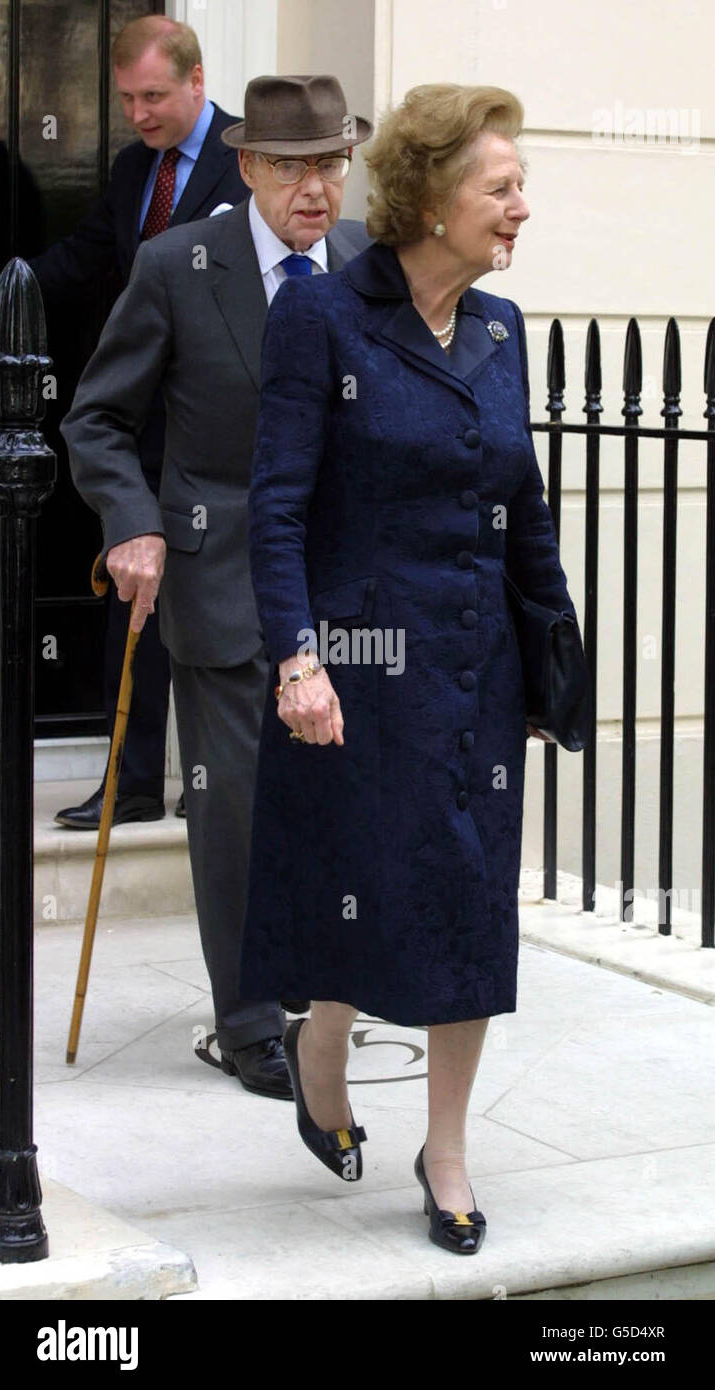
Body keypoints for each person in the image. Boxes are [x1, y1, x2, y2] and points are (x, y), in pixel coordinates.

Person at [240, 82, 579, 1249]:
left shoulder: (502, 330)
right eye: (500, 187)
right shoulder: (320, 320)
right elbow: (275, 510)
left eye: (517, 186)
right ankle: (319, 1045)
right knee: (367, 879)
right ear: (431, 199)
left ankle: (445, 1150)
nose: (519, 208)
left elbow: (520, 505)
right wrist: (296, 659)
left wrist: (550, 657)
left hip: (472, 665)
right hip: (357, 665)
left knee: (467, 903)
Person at [60, 74, 371, 1099]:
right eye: (290, 165)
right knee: (235, 803)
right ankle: (247, 1021)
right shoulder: (175, 266)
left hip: (346, 584)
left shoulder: (370, 262)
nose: (314, 187)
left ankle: (321, 989)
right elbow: (97, 418)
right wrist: (133, 523)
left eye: (329, 162)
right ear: (245, 166)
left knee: (334, 797)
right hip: (222, 572)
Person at [0, 14, 250, 829]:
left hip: (218, 426)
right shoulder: (137, 168)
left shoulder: (249, 160)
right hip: (143, 424)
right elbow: (90, 256)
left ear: (197, 82)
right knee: (130, 593)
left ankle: (222, 787)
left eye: (154, 96)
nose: (138, 112)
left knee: (215, 609)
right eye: (128, 98)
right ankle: (132, 780)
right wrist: (9, 290)